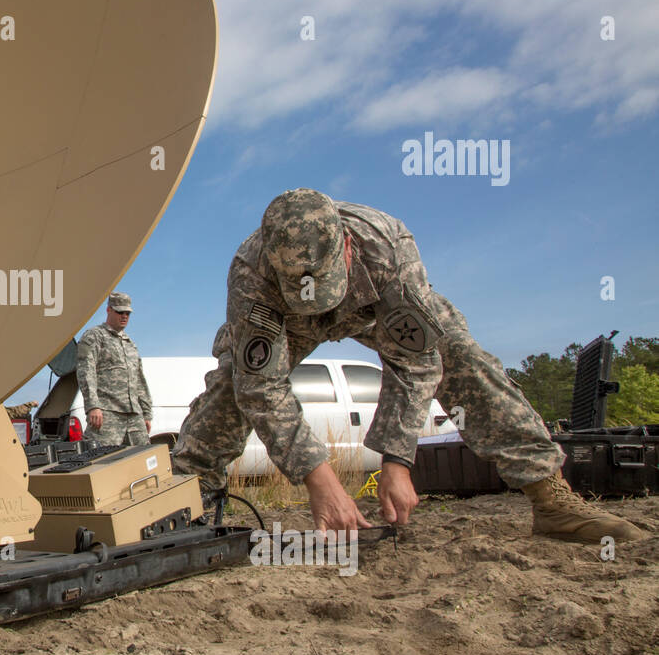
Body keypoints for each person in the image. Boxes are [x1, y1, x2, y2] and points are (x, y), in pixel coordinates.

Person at [172, 188, 644, 544]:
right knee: (234, 386)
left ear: (348, 249)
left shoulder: (386, 248)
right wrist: (320, 478)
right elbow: (262, 387)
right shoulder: (251, 274)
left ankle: (550, 496)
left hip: (373, 303)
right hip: (284, 324)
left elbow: (416, 361)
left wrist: (397, 463)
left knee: (461, 357)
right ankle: (186, 504)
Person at [76, 292, 153, 448]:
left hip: (134, 416)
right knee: (99, 461)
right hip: (107, 413)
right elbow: (86, 371)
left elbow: (139, 380)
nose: (124, 316)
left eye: (127, 313)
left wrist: (146, 413)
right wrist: (93, 406)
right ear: (109, 310)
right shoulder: (94, 337)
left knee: (143, 458)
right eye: (120, 312)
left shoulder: (130, 344)